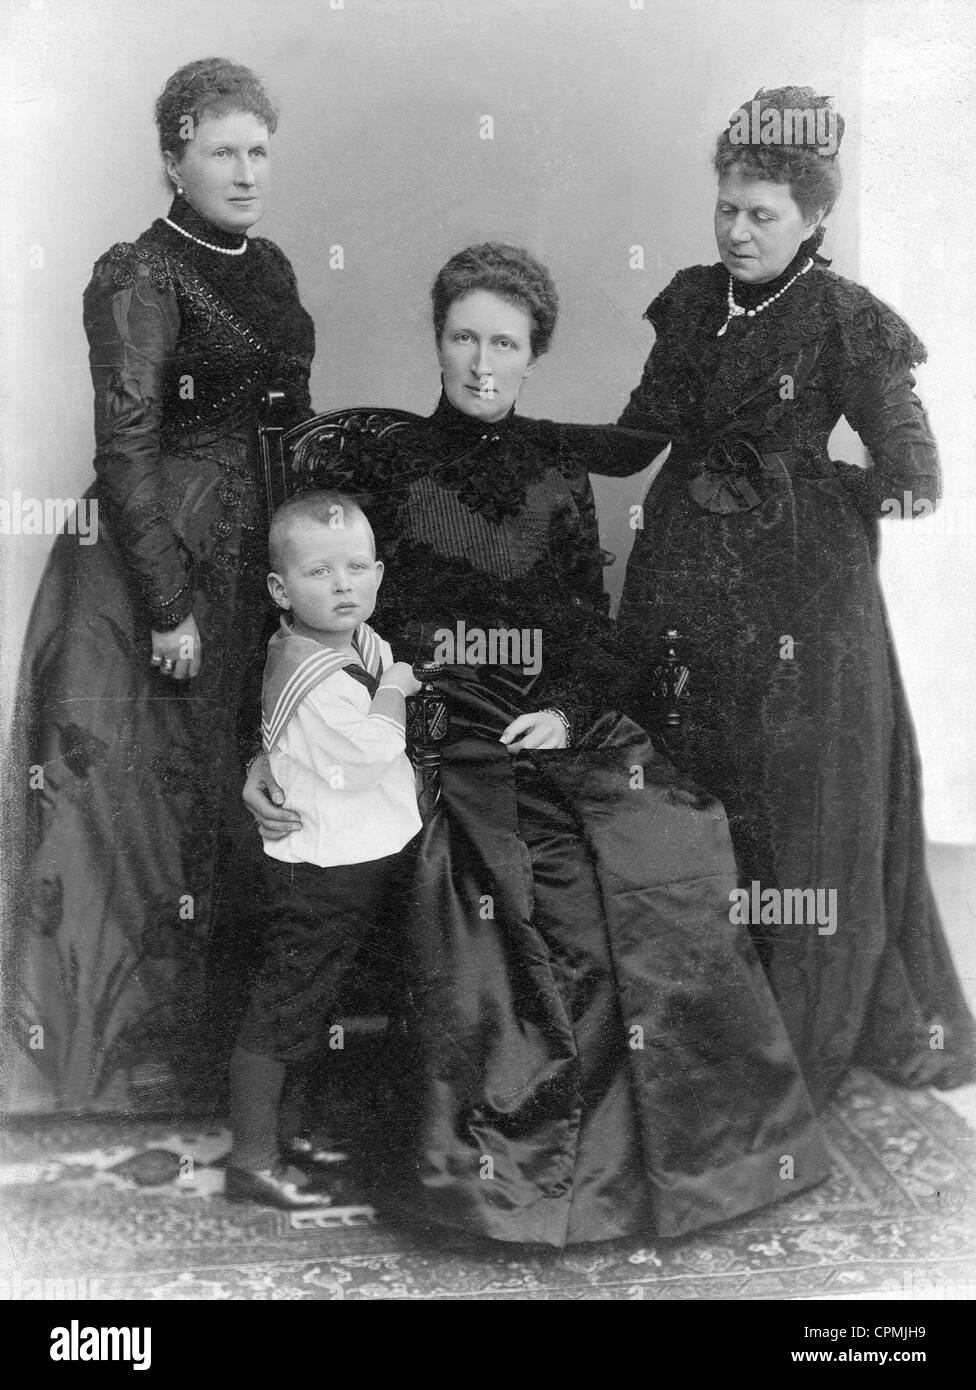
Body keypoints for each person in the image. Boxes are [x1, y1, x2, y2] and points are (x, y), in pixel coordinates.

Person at [245, 242, 832, 1248]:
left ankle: (694, 1157)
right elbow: (314, 624)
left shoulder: (557, 464)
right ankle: (524, 1178)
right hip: (418, 708)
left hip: (544, 703)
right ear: (438, 339)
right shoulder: (377, 463)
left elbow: (589, 627)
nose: (482, 363)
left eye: (505, 344)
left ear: (532, 355)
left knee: (663, 837)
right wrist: (272, 748)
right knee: (520, 873)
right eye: (464, 337)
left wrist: (564, 706)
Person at [606, 87, 976, 1108]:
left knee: (796, 810)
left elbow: (915, 476)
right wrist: (513, 446)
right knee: (688, 789)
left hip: (804, 609)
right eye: (726, 207)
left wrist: (804, 496)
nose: (735, 230)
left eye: (760, 214)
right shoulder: (688, 302)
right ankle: (696, 1015)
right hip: (683, 581)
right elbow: (638, 438)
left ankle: (791, 1031)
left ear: (813, 218)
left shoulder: (847, 321)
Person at [5, 58, 315, 1113]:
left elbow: (292, 419)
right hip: (151, 567)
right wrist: (171, 603)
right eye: (221, 149)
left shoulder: (266, 267)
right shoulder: (138, 275)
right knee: (148, 806)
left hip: (246, 556)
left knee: (234, 788)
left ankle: (225, 1059)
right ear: (172, 158)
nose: (243, 170)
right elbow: (126, 447)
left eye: (258, 149)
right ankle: (134, 1069)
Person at [226, 492, 421, 1209]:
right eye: (318, 573)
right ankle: (252, 1159)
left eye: (357, 567)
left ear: (377, 572)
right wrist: (397, 689)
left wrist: (389, 675)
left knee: (314, 1004)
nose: (343, 586)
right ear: (281, 590)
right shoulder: (314, 673)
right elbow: (372, 747)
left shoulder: (350, 641)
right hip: (321, 868)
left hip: (359, 854)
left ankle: (291, 1133)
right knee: (286, 1007)